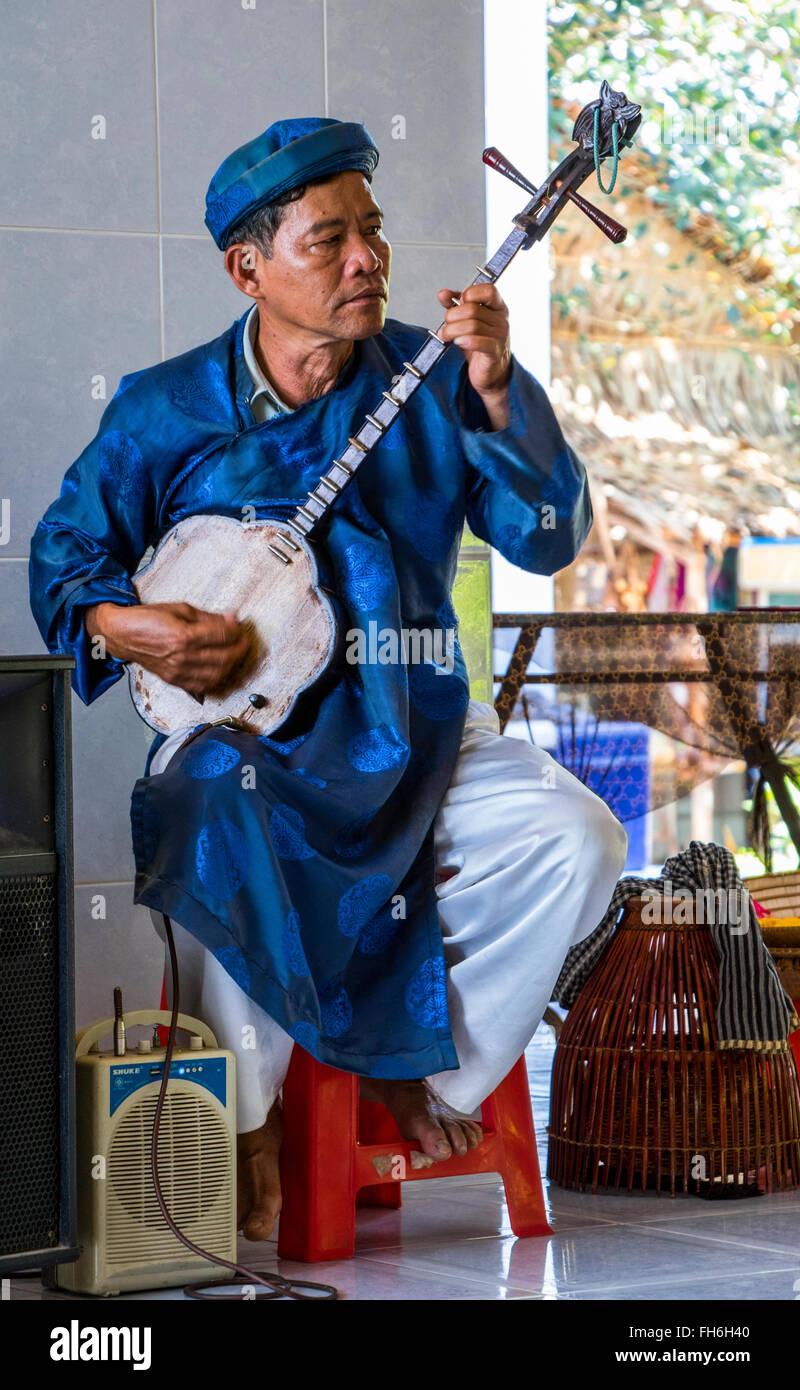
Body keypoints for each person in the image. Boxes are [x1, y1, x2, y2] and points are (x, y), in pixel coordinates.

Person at [29, 117, 628, 1240]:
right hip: (250, 738)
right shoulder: (164, 408)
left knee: (576, 840)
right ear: (246, 268)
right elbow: (66, 563)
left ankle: (430, 1073)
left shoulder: (435, 380)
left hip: (414, 730)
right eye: (327, 241)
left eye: (373, 232)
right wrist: (134, 628)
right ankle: (252, 1124)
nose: (365, 260)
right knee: (222, 814)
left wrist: (497, 389)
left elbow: (544, 536)